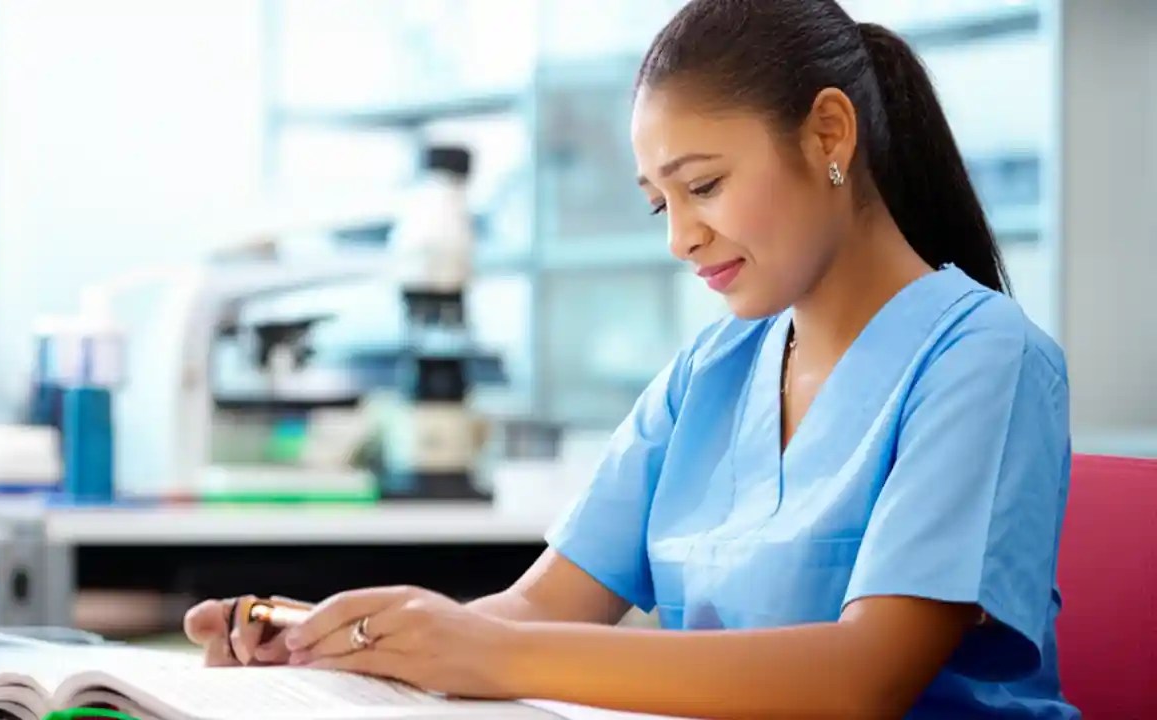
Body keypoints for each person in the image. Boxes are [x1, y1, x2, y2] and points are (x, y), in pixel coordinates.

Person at [185, 1, 1078, 717]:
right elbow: (538, 608)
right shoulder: (713, 371)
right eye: (661, 205)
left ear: (830, 136)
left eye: (704, 186)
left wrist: (489, 653)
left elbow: (860, 680)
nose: (684, 238)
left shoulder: (981, 358)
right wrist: (341, 638)